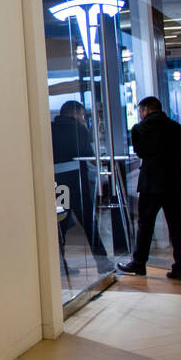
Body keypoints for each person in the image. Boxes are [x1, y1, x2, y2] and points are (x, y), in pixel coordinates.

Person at [117, 97, 181, 279]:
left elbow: (140, 153)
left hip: (151, 184)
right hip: (174, 183)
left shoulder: (139, 129)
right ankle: (180, 268)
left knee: (145, 225)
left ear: (145, 110)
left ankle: (139, 263)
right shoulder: (178, 129)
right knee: (176, 227)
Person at [51, 100, 113, 273]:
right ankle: (102, 262)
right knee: (88, 222)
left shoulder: (51, 129)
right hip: (77, 183)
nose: (83, 118)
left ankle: (60, 265)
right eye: (82, 115)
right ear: (75, 113)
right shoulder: (79, 129)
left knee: (60, 224)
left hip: (58, 183)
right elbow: (88, 156)